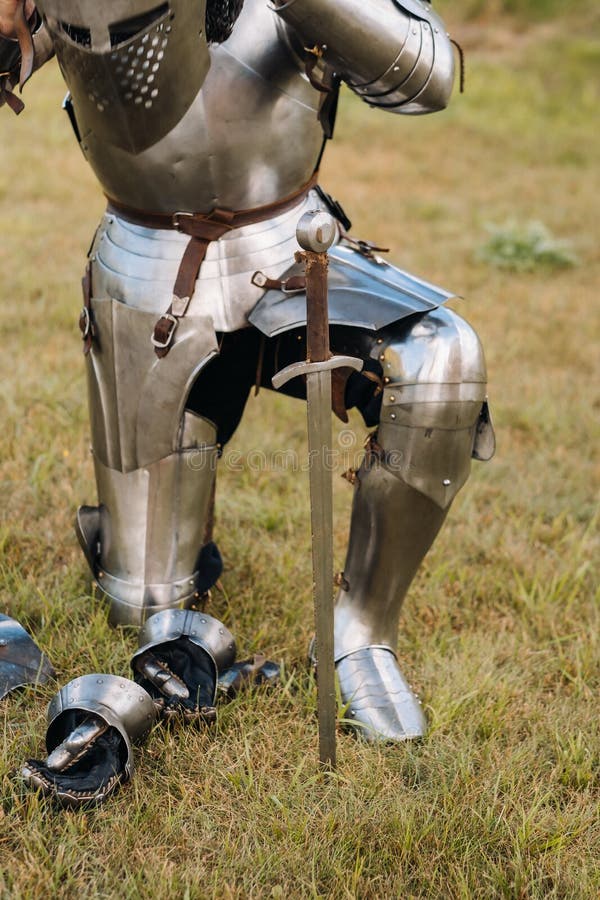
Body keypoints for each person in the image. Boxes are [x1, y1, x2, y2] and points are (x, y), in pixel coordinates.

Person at [0, 0, 495, 744]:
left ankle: (359, 637)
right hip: (147, 273)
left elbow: (430, 76)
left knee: (441, 357)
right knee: (142, 605)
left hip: (291, 249)